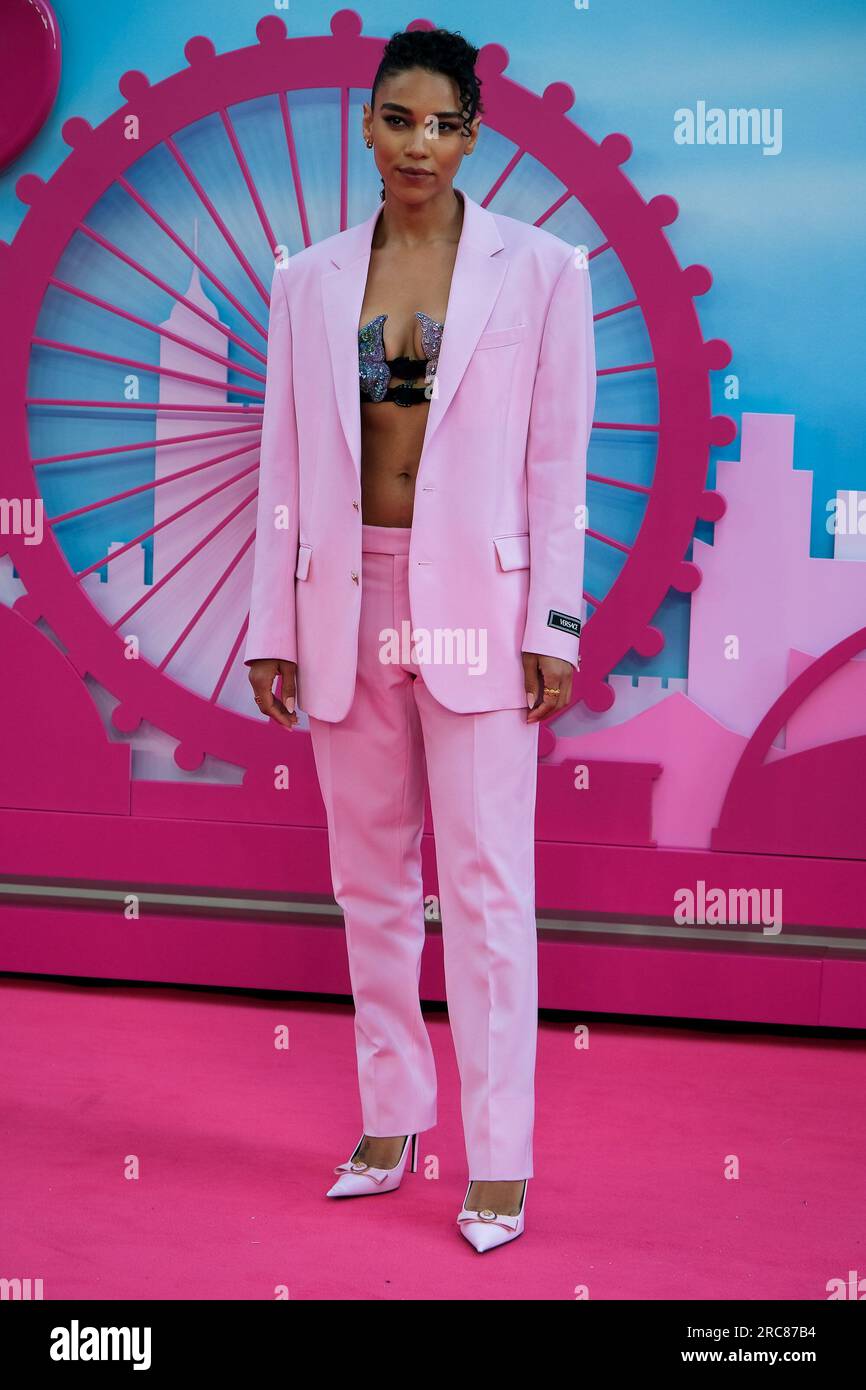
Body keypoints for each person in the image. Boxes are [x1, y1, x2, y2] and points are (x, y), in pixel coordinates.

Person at [245, 26, 596, 1253]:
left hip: (484, 615)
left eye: (441, 124)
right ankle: (390, 1117)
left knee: (492, 892)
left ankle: (496, 1155)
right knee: (369, 885)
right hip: (346, 601)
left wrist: (554, 619)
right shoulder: (310, 282)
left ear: (472, 135)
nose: (418, 144)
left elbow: (559, 467)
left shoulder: (543, 272)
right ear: (368, 122)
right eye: (398, 118)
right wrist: (271, 623)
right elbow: (282, 462)